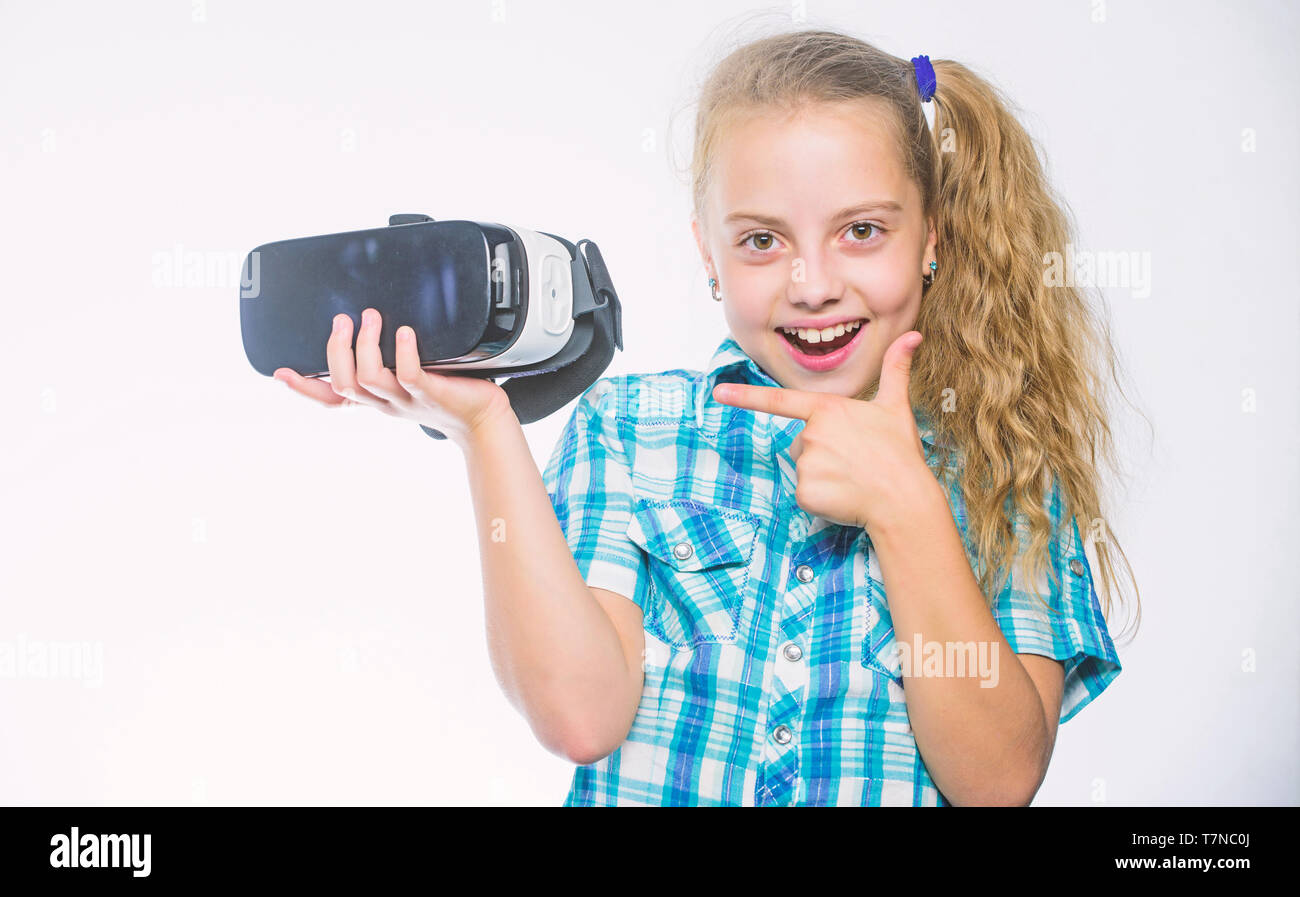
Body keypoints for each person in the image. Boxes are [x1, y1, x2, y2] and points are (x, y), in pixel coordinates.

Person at [274, 26, 1140, 806]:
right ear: (709, 253)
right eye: (762, 240)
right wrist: (483, 428)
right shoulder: (630, 428)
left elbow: (998, 781)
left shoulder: (1002, 464)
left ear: (933, 236)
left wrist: (906, 504)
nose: (811, 283)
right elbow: (582, 715)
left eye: (862, 231)